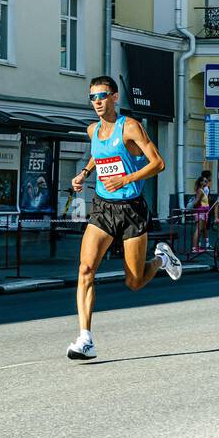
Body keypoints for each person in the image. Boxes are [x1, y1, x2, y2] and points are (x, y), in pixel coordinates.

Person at [66, 77, 182, 360]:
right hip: (103, 208)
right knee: (85, 269)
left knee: (134, 281)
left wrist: (127, 178)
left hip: (132, 209)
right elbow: (98, 155)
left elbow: (159, 163)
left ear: (114, 97)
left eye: (103, 95)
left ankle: (162, 260)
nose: (97, 101)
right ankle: (86, 338)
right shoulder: (92, 130)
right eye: (93, 97)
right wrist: (84, 174)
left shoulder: (129, 127)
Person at [190, 170, 213, 254]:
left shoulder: (202, 190)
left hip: (203, 212)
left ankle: (197, 246)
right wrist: (201, 206)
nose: (206, 182)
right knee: (198, 229)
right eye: (204, 181)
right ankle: (194, 248)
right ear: (200, 182)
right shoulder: (200, 191)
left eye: (206, 181)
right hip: (201, 212)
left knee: (201, 229)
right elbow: (196, 202)